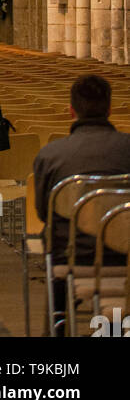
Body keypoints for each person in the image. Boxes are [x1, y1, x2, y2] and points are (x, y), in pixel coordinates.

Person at [33, 73, 130, 331]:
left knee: (55, 237)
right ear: (109, 109)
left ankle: (57, 325)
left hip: (76, 254)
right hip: (125, 252)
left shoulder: (51, 155)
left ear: (70, 111)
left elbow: (44, 212)